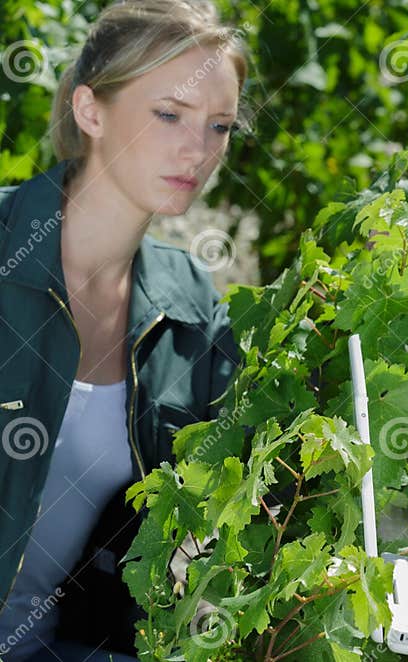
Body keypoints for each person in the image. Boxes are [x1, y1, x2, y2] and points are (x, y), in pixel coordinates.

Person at [0, 1, 247, 659]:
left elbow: (240, 491)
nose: (197, 149)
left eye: (218, 126)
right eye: (168, 114)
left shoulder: (190, 301)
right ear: (91, 111)